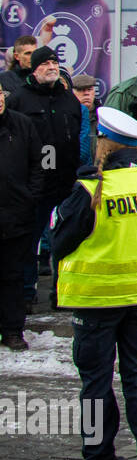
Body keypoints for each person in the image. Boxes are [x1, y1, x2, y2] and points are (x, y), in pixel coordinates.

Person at [51, 107, 137, 460]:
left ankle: (99, 457)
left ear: (103, 145)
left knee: (95, 380)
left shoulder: (88, 189)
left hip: (97, 299)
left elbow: (60, 241)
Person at [9, 45, 82, 311]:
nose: (52, 67)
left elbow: (79, 135)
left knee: (64, 240)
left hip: (65, 183)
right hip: (33, 186)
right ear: (34, 68)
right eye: (46, 63)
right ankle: (27, 295)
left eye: (55, 63)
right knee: (29, 242)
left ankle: (61, 292)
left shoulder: (68, 99)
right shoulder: (20, 99)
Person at [0, 85, 41, 349]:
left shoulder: (21, 124)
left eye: (0, 95)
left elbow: (39, 163)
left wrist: (29, 197)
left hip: (14, 213)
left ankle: (13, 329)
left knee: (12, 275)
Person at [0, 34, 38, 98]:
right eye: (28, 53)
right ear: (16, 56)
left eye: (35, 53)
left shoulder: (44, 77)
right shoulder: (3, 79)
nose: (33, 57)